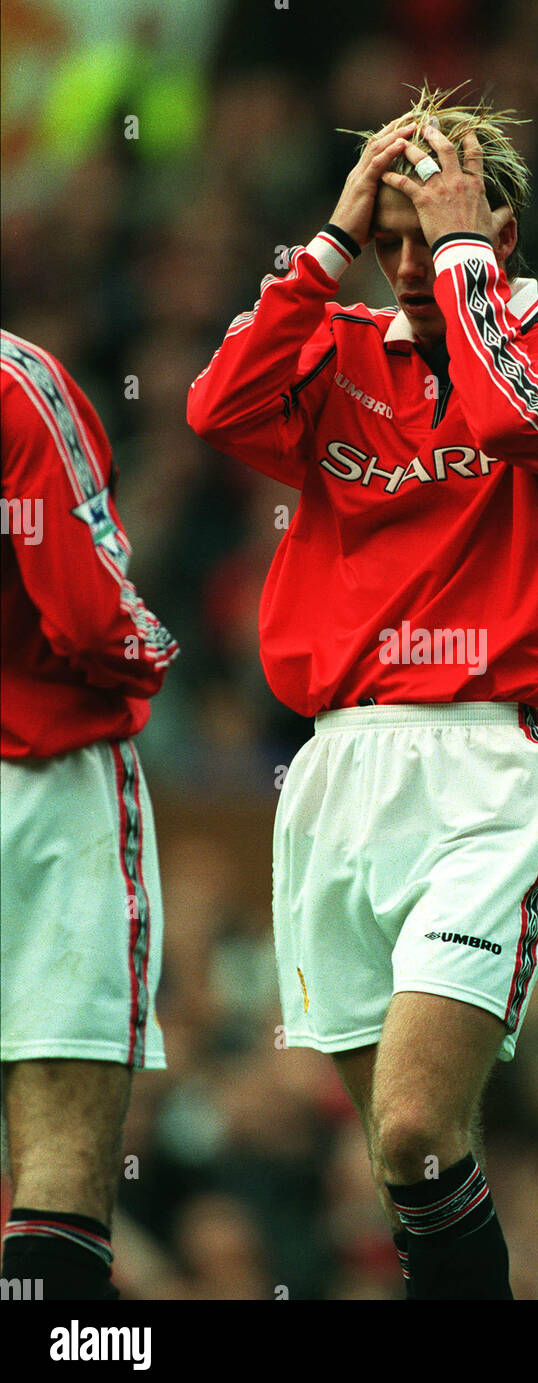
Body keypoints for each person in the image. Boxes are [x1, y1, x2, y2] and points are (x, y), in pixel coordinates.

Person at [187, 85, 538, 1300]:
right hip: (333, 770)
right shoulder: (335, 353)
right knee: (410, 1168)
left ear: (500, 225)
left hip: (485, 769)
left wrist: (461, 260)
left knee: (413, 1132)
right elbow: (213, 405)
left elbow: (504, 410)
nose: (400, 261)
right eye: (384, 235)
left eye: (420, 229)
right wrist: (325, 246)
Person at [0, 329, 178, 1299]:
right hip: (43, 785)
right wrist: (151, 649)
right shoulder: (16, 385)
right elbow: (84, 611)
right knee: (58, 1168)